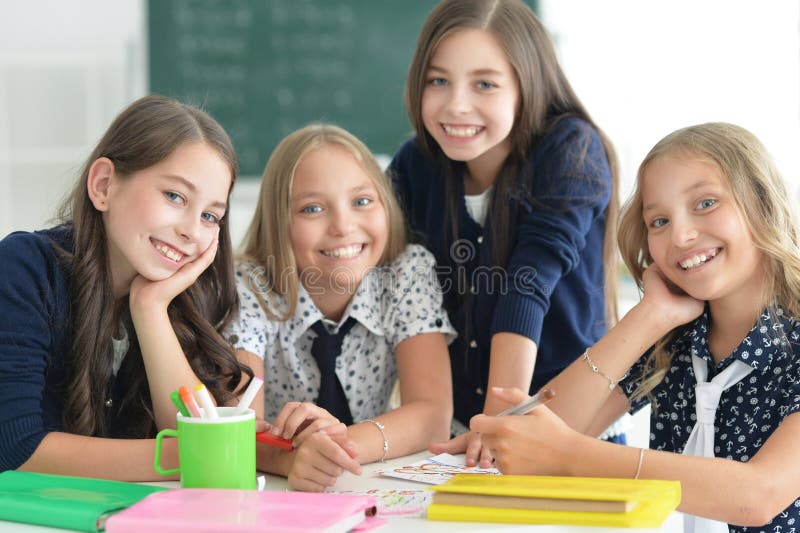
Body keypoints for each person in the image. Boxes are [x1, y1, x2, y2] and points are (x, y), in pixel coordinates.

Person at [472, 123, 800, 532]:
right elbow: (533, 437)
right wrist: (651, 315)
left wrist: (571, 454)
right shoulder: (674, 340)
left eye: (706, 203)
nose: (681, 235)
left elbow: (758, 496)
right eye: (659, 221)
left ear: (763, 202)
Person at [388, 0, 622, 464]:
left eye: (485, 84)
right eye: (438, 81)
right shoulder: (415, 164)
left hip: (572, 429)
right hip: (467, 434)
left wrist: (500, 425)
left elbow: (525, 285)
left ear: (526, 85)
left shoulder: (571, 150)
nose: (456, 104)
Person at [0, 95, 254, 479]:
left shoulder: (184, 297)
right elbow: (15, 449)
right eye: (175, 196)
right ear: (104, 185)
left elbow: (193, 424)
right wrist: (193, 455)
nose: (191, 230)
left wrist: (151, 310)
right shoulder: (24, 269)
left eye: (209, 216)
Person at [227, 124, 454, 492]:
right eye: (313, 208)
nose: (344, 226)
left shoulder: (407, 274)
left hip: (369, 480)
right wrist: (291, 460)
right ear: (278, 221)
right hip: (279, 490)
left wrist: (334, 447)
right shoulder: (248, 286)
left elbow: (433, 415)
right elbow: (236, 426)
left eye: (362, 201)